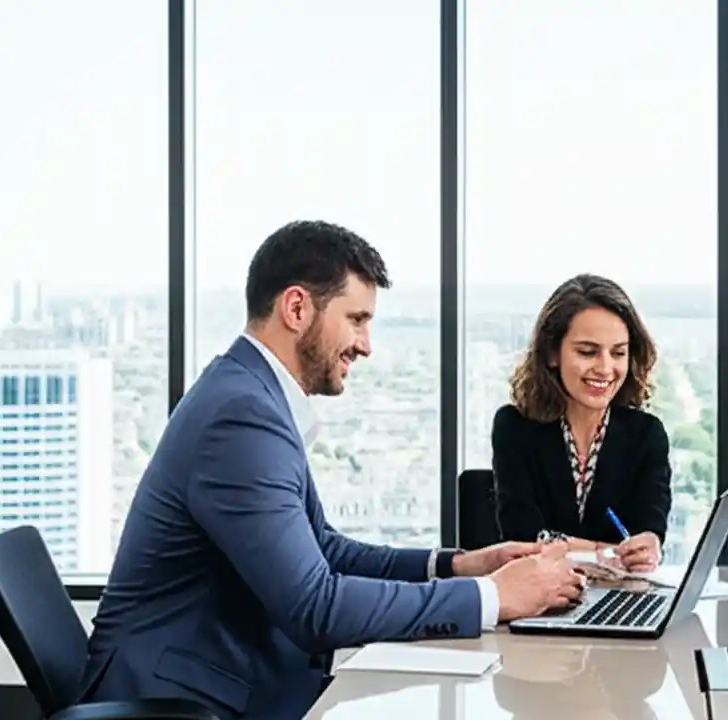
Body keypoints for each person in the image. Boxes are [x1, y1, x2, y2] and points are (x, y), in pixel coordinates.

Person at [80, 221, 583, 719]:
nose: (366, 345)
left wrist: (456, 566)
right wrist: (494, 596)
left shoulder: (249, 395)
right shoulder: (241, 416)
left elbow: (324, 549)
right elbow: (315, 608)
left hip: (224, 679)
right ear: (297, 308)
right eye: (357, 319)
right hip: (182, 700)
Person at [492, 274, 672, 573]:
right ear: (552, 353)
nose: (605, 368)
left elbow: (649, 528)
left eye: (618, 353)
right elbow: (523, 537)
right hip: (537, 596)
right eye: (587, 352)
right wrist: (605, 550)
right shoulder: (515, 427)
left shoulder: (646, 434)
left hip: (620, 597)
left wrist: (648, 546)